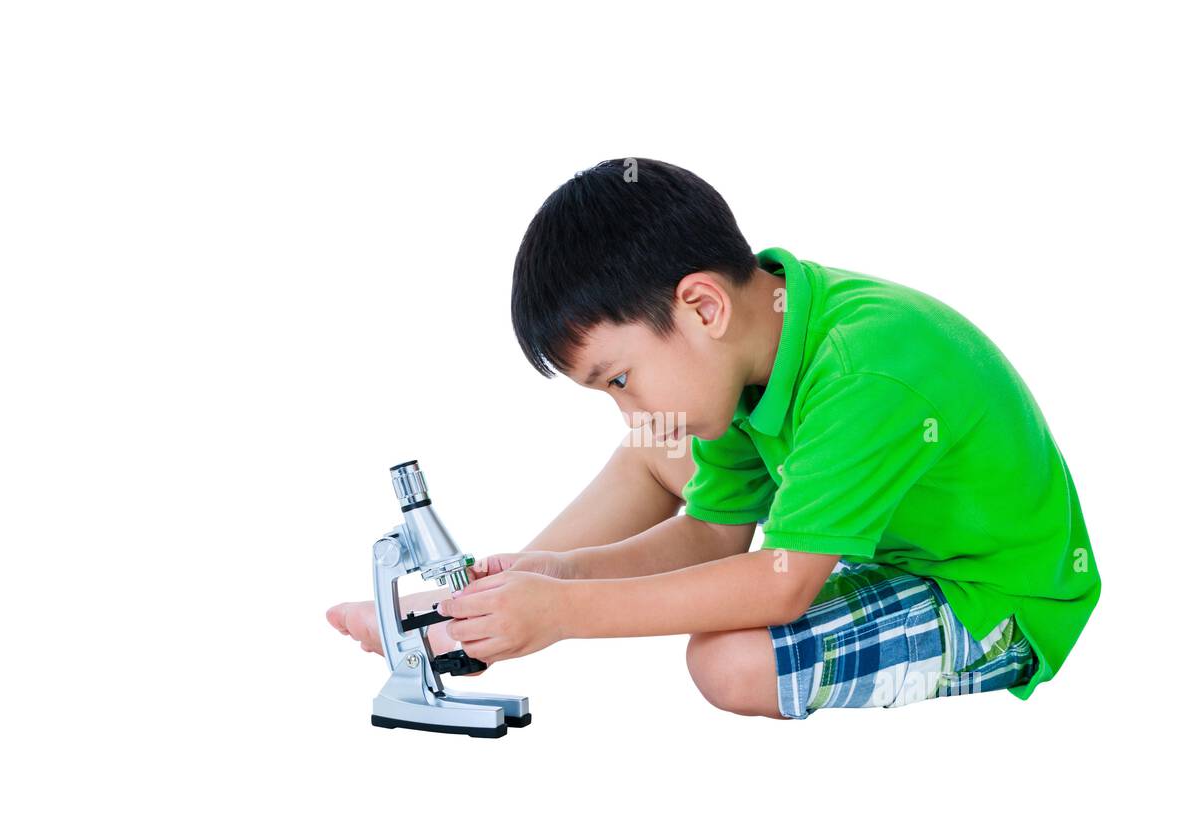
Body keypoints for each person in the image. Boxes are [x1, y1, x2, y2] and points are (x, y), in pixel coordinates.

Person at [327, 157, 1102, 720]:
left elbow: (778, 582)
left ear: (702, 308)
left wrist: (566, 615)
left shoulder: (866, 369)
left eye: (619, 380)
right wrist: (553, 575)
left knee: (727, 662)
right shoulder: (748, 357)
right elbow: (710, 535)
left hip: (995, 595)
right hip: (884, 536)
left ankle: (497, 616)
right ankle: (476, 611)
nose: (627, 409)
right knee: (655, 448)